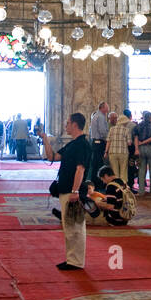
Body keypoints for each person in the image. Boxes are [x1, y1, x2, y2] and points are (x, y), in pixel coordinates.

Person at [42, 112, 91, 270]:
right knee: (69, 226)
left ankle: (76, 261)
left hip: (73, 192)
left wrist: (75, 191)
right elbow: (52, 157)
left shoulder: (82, 145)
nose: (66, 125)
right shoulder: (72, 144)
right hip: (66, 190)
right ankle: (72, 259)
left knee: (75, 226)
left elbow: (80, 169)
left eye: (68, 123)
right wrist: (45, 139)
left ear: (75, 125)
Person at [132, 111, 151, 194]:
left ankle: (141, 191)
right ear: (150, 117)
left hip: (140, 149)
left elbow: (135, 138)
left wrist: (136, 149)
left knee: (141, 170)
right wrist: (143, 142)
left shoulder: (137, 126)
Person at [105, 109, 131, 188]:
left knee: (115, 172)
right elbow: (129, 143)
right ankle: (123, 188)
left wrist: (106, 152)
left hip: (112, 152)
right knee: (123, 171)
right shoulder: (126, 130)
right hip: (123, 153)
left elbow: (108, 141)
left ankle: (116, 188)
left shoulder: (112, 129)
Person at [89, 102, 110, 182]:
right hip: (99, 142)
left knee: (95, 163)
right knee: (99, 164)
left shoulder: (96, 115)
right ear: (102, 108)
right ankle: (98, 183)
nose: (108, 109)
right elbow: (102, 131)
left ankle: (94, 182)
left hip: (95, 142)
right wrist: (107, 139)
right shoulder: (101, 116)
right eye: (107, 107)